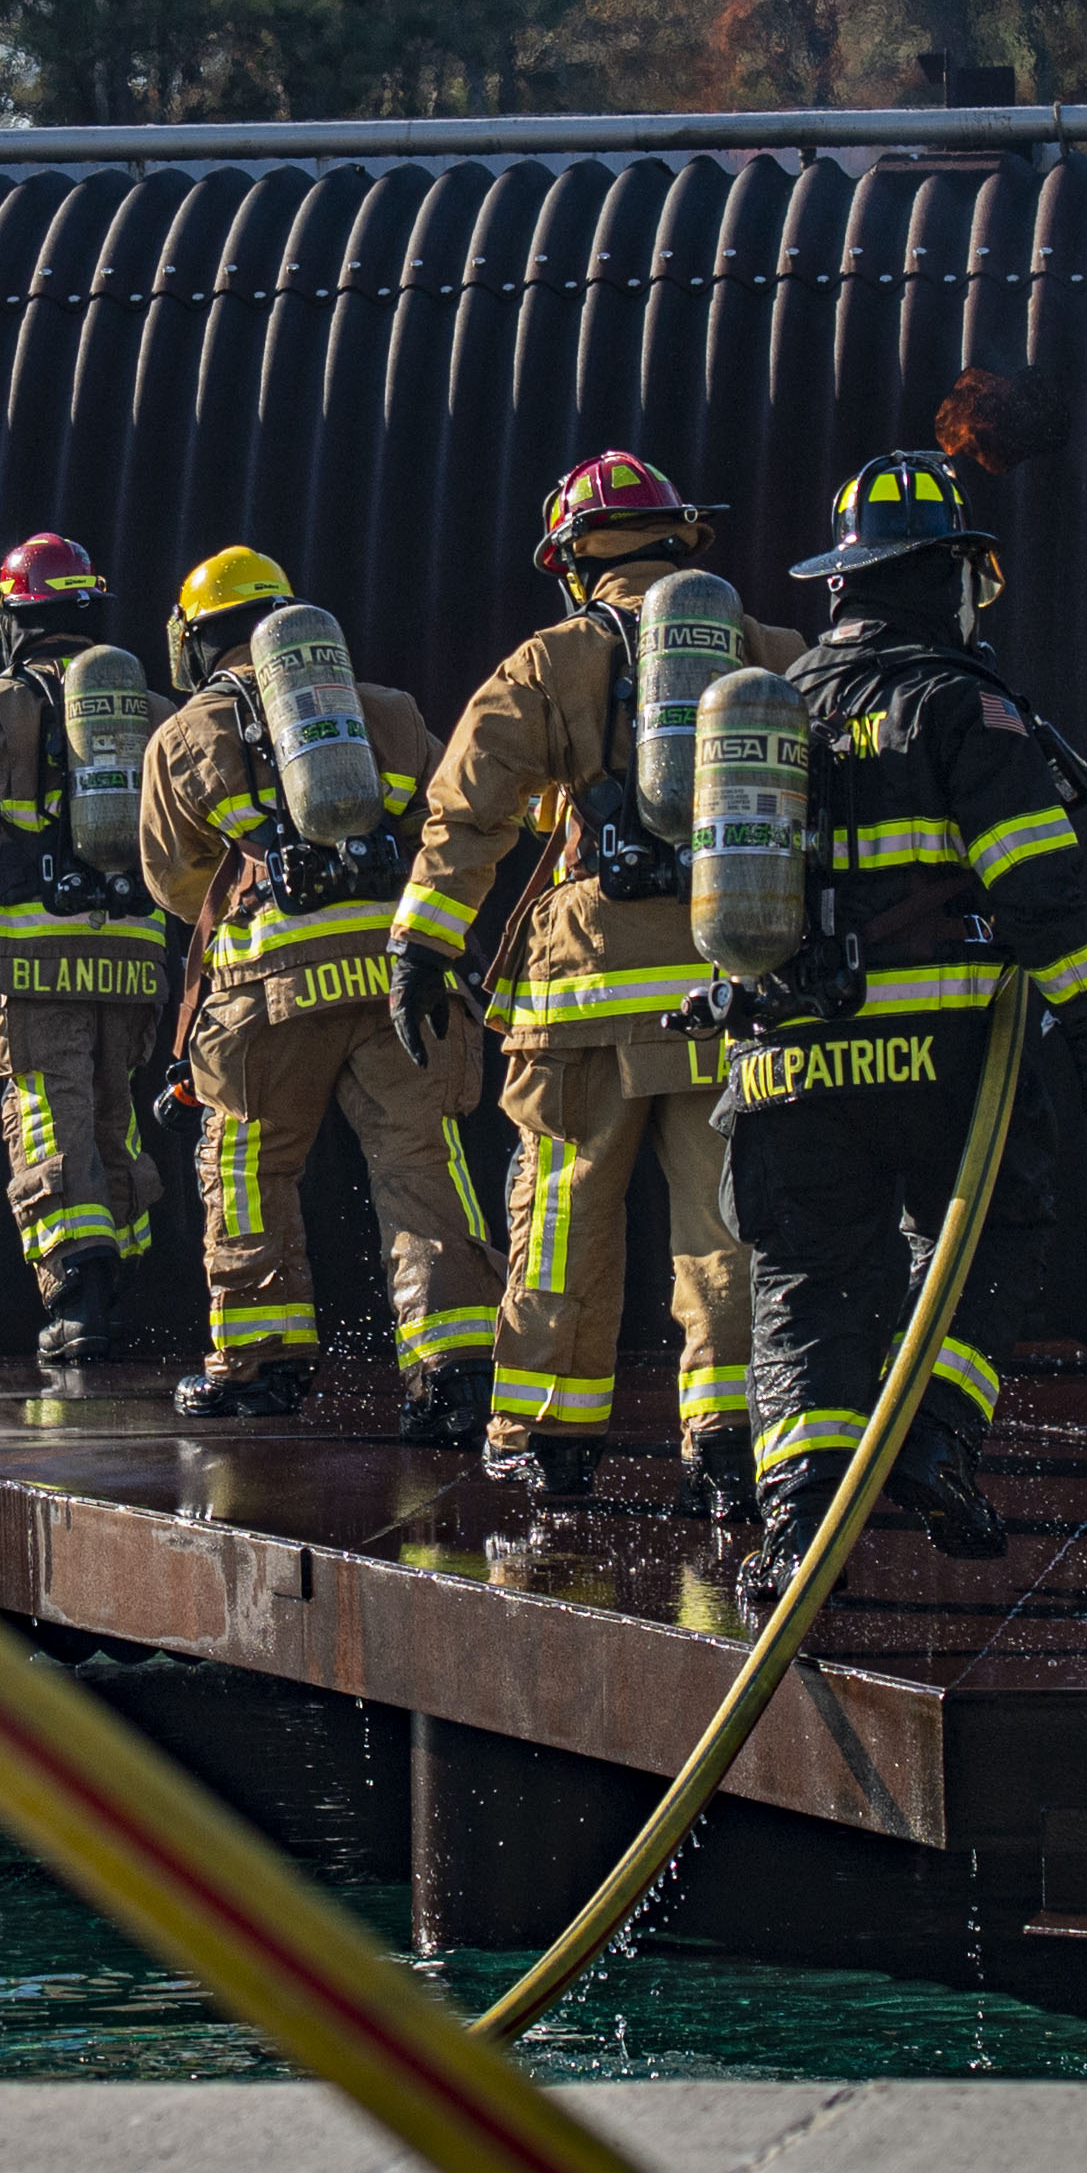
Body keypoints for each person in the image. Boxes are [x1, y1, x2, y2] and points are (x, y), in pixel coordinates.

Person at [713, 449, 1087, 1594]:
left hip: (787, 1060)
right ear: (946, 578)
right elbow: (1037, 879)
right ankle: (933, 1434)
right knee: (988, 1233)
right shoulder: (957, 702)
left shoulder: (768, 711)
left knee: (805, 1282)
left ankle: (796, 1526)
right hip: (941, 1052)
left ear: (841, 584)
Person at [384, 452, 806, 1509]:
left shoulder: (553, 658)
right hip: (730, 982)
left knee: (569, 1210)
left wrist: (425, 944)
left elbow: (467, 805)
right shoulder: (772, 653)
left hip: (587, 996)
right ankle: (729, 1443)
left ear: (573, 561)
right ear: (678, 542)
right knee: (724, 1219)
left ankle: (553, 1439)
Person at [135, 549, 497, 1433]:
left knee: (248, 1169)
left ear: (198, 638)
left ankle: (260, 1367)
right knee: (422, 1163)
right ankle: (453, 1369)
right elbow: (450, 827)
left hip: (265, 993)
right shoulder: (390, 712)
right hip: (394, 978)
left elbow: (174, 882)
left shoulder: (181, 736)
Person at [0, 534, 171, 1362]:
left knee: (51, 1117)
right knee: (114, 1116)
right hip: (131, 957)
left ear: (14, 619)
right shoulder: (153, 713)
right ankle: (116, 1279)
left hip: (32, 957)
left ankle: (76, 1297)